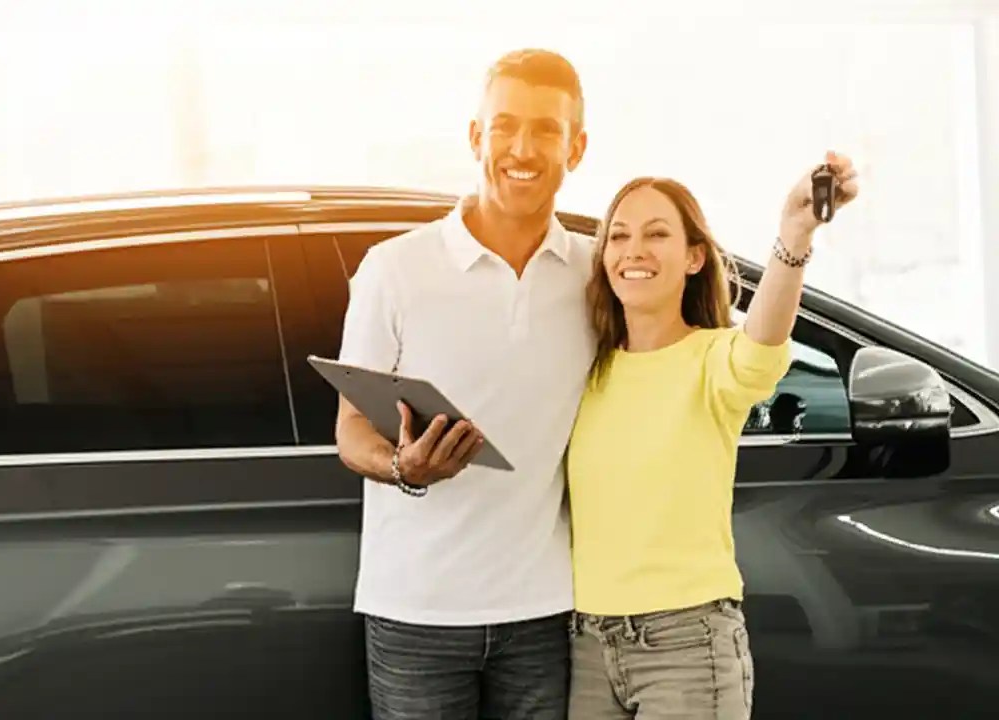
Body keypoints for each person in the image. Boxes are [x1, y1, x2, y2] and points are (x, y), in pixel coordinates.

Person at [334, 48, 595, 719]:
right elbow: (352, 431)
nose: (523, 148)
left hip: (546, 610)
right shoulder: (394, 270)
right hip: (416, 611)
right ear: (476, 137)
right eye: (505, 126)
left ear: (577, 148)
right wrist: (403, 465)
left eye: (546, 130)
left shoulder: (597, 276)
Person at [564, 152, 860, 718]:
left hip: (686, 646)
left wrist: (794, 233)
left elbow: (763, 341)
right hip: (586, 647)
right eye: (619, 237)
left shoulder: (713, 359)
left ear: (694, 256)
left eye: (657, 234)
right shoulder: (585, 370)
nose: (634, 251)